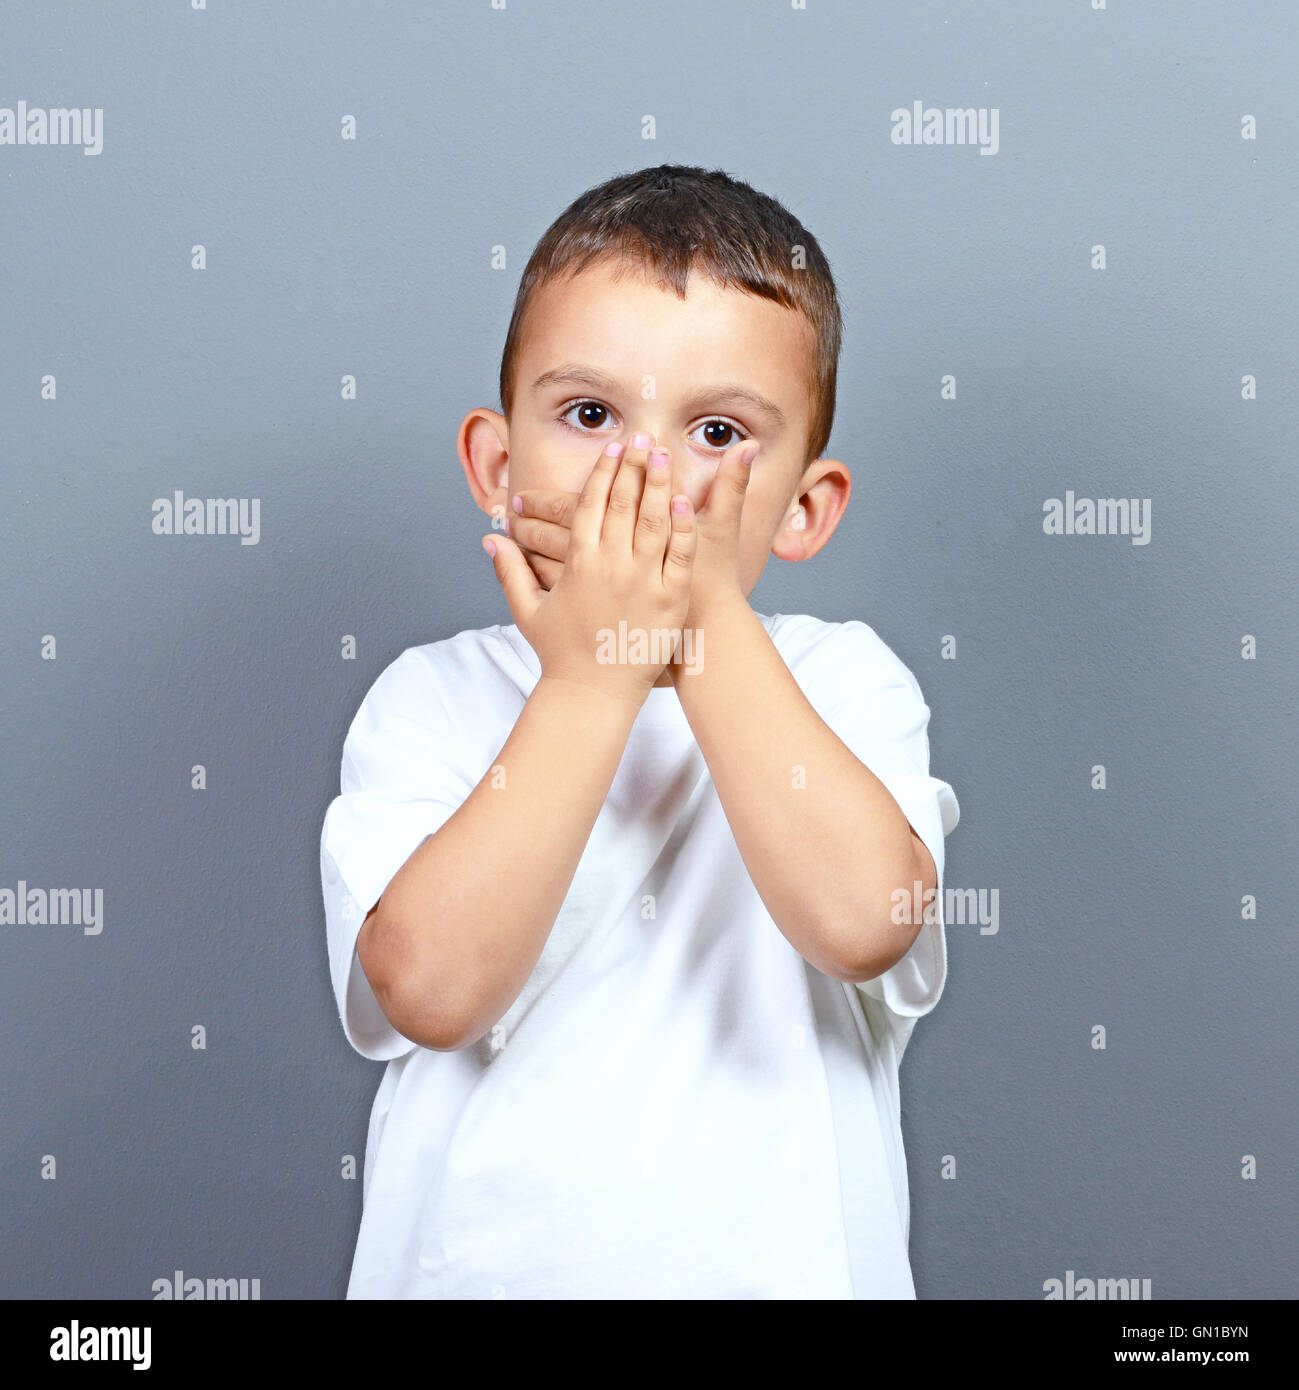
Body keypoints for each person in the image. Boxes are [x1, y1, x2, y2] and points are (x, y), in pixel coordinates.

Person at [320, 163, 960, 1298]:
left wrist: (701, 615)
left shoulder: (845, 685)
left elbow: (870, 921)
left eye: (716, 429)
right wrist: (591, 678)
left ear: (803, 509)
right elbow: (430, 989)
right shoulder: (434, 700)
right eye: (589, 414)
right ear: (499, 468)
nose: (647, 475)